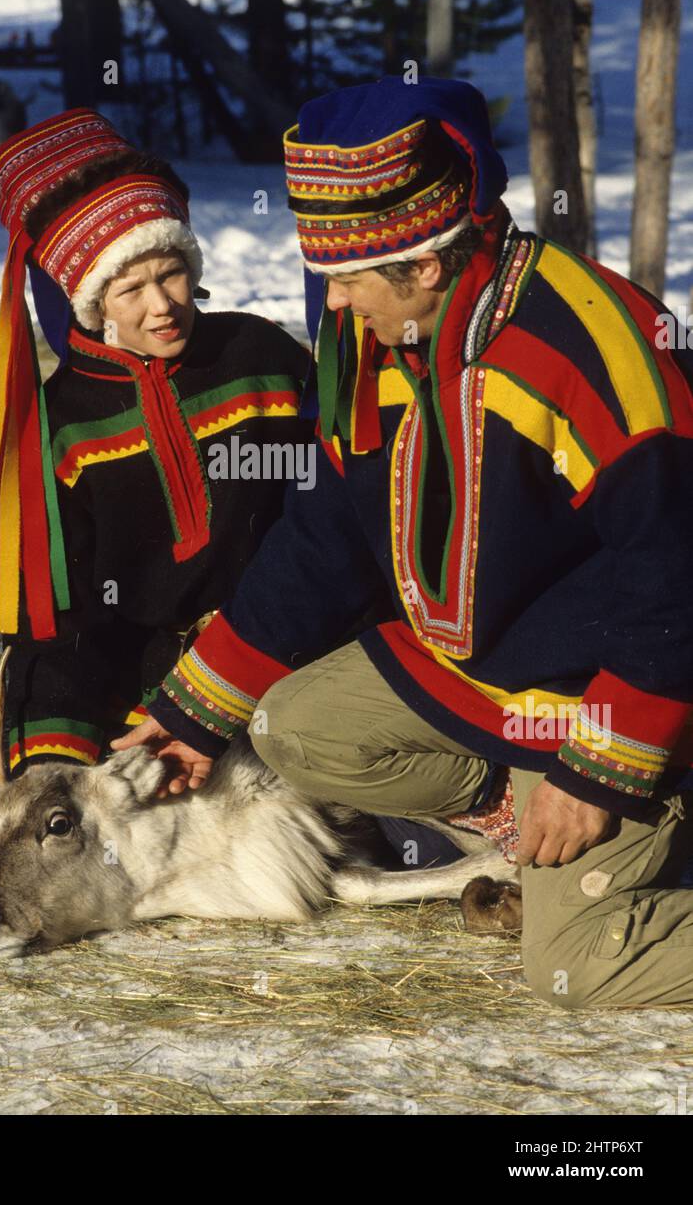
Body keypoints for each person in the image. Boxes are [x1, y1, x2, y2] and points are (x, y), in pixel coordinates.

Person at [117, 75, 693, 1009]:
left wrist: (594, 771)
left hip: (618, 693)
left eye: (346, 278)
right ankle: (520, 815)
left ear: (424, 265)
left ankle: (618, 822)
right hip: (499, 681)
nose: (333, 304)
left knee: (573, 967)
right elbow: (331, 534)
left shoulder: (585, 349)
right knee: (290, 728)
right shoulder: (391, 345)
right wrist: (192, 718)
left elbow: (672, 575)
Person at [0, 106, 314, 784]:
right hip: (145, 674)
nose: (160, 304)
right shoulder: (62, 418)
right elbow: (61, 608)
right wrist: (56, 764)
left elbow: (330, 501)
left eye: (170, 273)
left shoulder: (259, 353)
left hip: (282, 640)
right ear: (92, 304)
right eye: (129, 289)